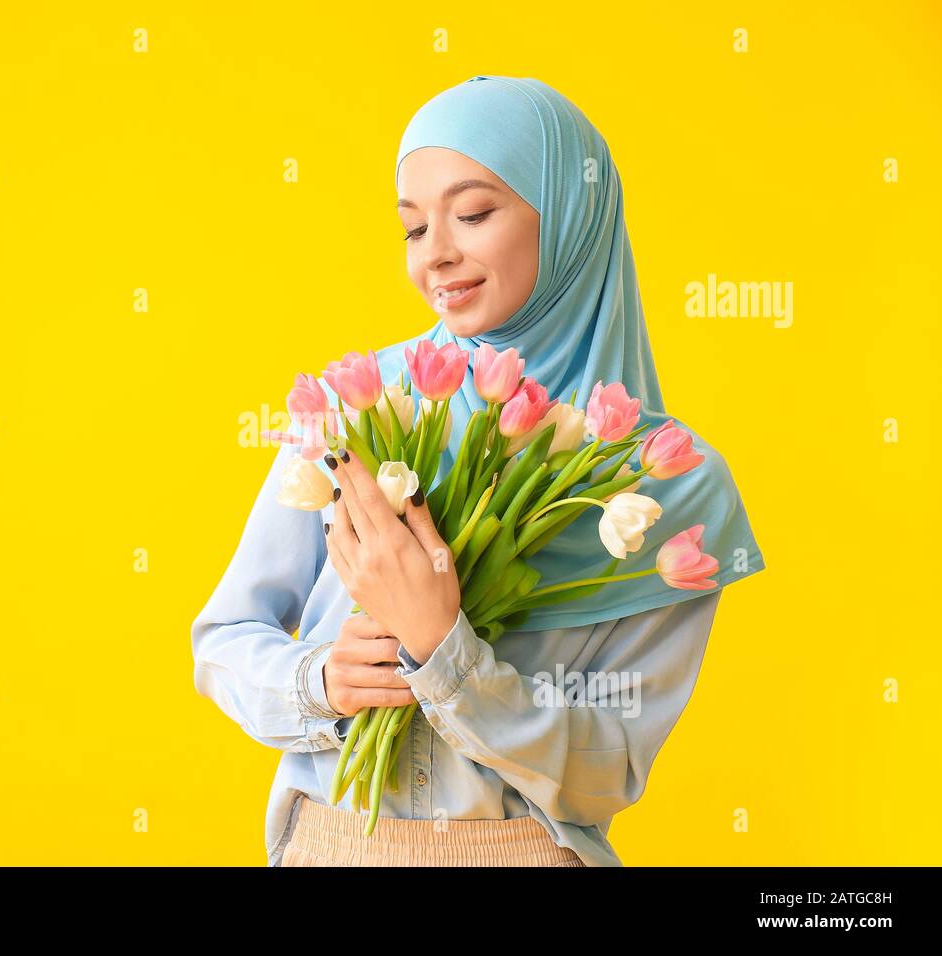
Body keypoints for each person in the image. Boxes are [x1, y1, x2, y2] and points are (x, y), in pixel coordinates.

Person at [191, 76, 766, 867]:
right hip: (329, 845)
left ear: (567, 215)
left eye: (473, 213)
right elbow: (222, 640)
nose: (437, 254)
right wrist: (321, 679)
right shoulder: (358, 406)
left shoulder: (665, 482)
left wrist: (443, 651)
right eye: (413, 227)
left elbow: (606, 773)